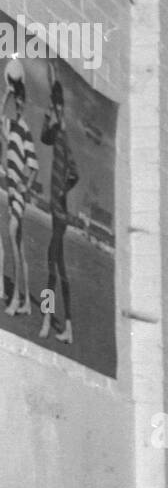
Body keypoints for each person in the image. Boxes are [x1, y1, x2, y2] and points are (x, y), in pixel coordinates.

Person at [38, 78, 77, 345]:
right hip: (56, 211)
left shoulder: (64, 138)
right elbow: (44, 137)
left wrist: (62, 192)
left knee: (52, 263)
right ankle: (68, 327)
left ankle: (46, 320)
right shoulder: (58, 134)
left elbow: (76, 174)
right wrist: (47, 113)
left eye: (58, 107)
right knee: (58, 266)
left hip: (60, 213)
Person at [3, 75, 39, 317]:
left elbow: (34, 166)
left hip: (18, 195)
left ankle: (16, 298)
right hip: (11, 191)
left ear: (24, 103)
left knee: (12, 234)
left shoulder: (24, 130)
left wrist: (24, 187)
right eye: (15, 100)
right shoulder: (12, 126)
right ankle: (26, 302)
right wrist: (6, 92)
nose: (17, 104)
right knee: (20, 247)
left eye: (19, 101)